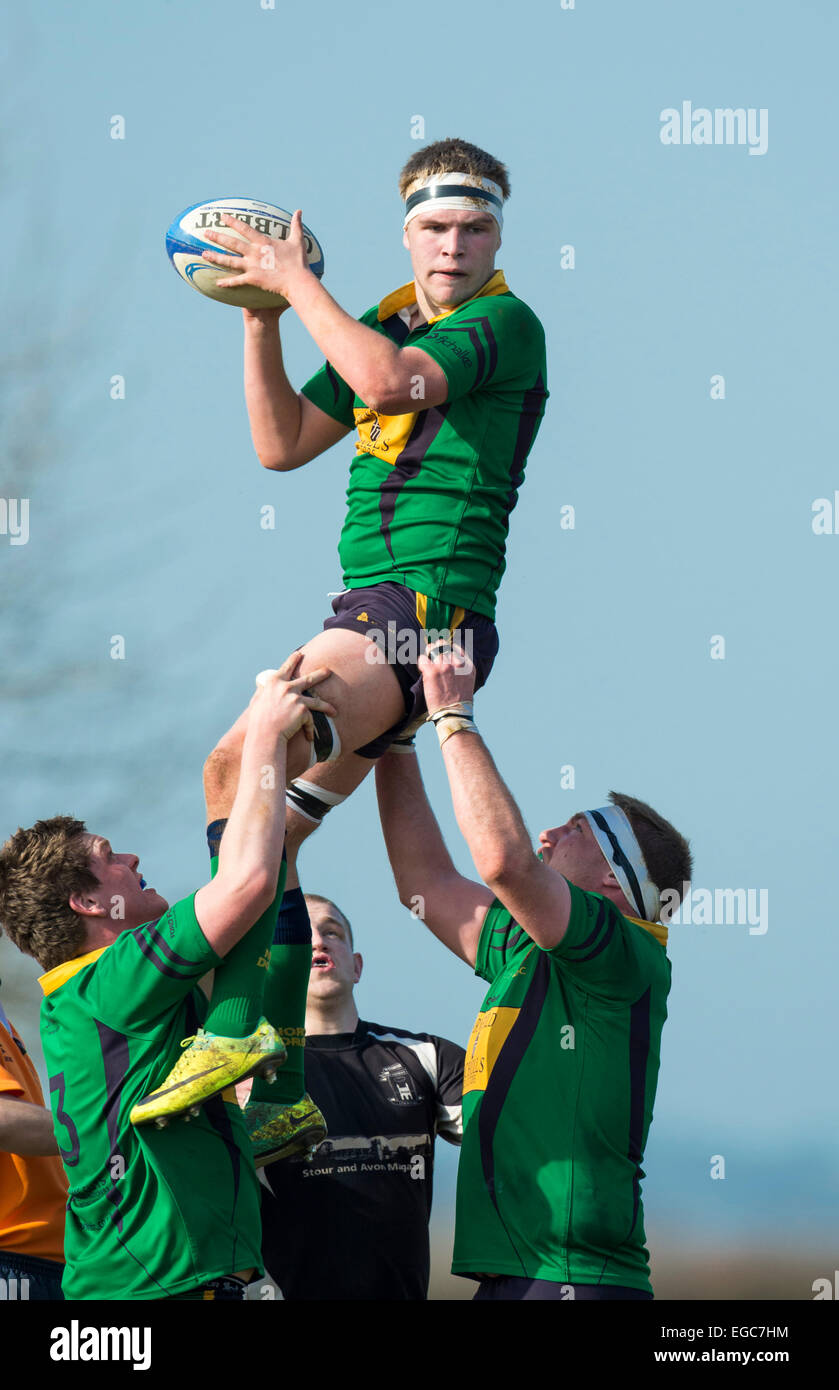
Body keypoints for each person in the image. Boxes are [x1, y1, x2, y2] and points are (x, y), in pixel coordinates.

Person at [150, 136, 547, 1142]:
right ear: (405, 231)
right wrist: (262, 317)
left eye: (475, 225)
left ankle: (238, 1028)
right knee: (245, 808)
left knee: (252, 748)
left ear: (497, 232)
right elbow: (281, 445)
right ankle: (275, 1080)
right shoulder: (383, 316)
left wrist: (292, 276)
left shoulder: (502, 322)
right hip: (366, 615)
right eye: (434, 225)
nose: (454, 243)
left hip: (417, 616)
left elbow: (382, 385)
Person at [0, 655, 334, 1299]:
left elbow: (268, 945)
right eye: (108, 857)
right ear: (89, 904)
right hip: (149, 1296)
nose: (132, 857)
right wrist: (265, 733)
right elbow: (246, 884)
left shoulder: (99, 994)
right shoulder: (110, 978)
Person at [375, 643, 692, 1300]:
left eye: (575, 828)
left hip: (570, 1278)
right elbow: (424, 880)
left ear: (612, 878)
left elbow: (505, 862)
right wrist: (396, 741)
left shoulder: (623, 949)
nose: (547, 833)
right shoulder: (531, 948)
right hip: (522, 1272)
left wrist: (452, 717)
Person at [258, 892, 465, 1300]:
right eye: (301, 933)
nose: (318, 941)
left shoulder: (428, 1057)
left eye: (332, 932)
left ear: (357, 966)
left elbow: (513, 1138)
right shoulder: (251, 1072)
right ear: (272, 967)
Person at [0, 995, 67, 1300]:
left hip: (37, 1262)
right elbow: (4, 1120)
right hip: (13, 1260)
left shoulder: (6, 1023)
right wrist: (110, 1132)